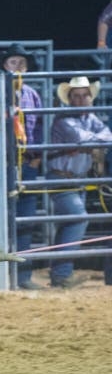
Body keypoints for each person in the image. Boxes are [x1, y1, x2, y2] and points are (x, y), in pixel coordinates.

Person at [48, 76, 112, 288]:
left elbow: (107, 136)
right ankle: (62, 273)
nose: (82, 99)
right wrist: (91, 142)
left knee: (71, 222)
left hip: (78, 179)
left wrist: (90, 142)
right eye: (77, 96)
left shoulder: (90, 118)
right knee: (78, 219)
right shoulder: (64, 119)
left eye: (86, 95)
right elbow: (84, 139)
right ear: (70, 99)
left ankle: (59, 274)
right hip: (61, 178)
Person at [0, 43, 44, 290]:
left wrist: (36, 158)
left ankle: (23, 276)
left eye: (21, 63)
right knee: (0, 218)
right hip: (2, 164)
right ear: (5, 65)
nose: (18, 67)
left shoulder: (31, 94)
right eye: (14, 62)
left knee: (25, 220)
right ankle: (1, 276)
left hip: (26, 162)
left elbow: (38, 128)